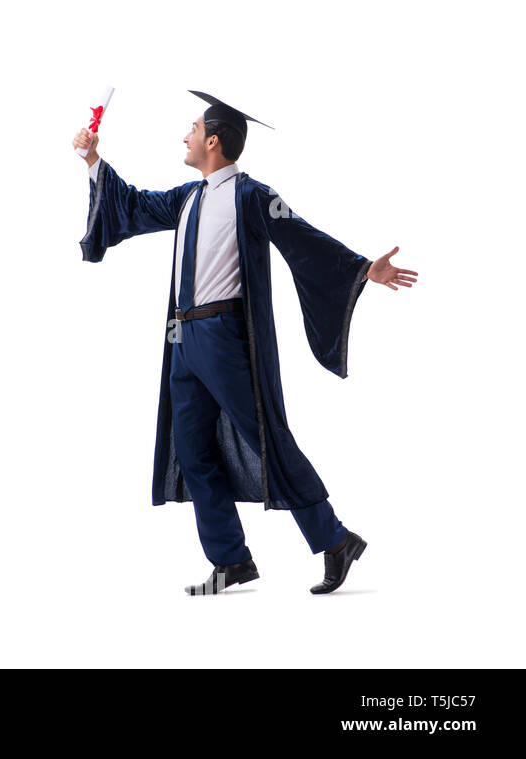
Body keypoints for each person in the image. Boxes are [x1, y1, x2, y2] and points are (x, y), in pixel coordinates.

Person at [74, 91, 418, 595]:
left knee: (266, 438)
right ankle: (230, 560)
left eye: (191, 129)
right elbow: (133, 206)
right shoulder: (187, 197)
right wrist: (92, 160)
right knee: (191, 450)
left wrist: (364, 269)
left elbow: (303, 237)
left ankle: (334, 539)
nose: (185, 136)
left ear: (213, 140)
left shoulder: (253, 197)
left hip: (227, 338)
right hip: (182, 337)